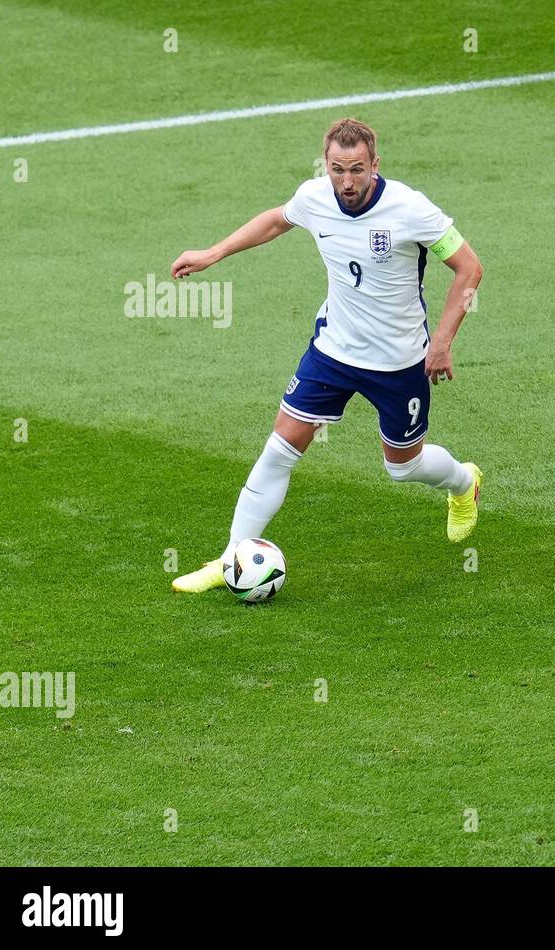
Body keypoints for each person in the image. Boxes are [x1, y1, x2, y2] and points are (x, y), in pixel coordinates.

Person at [169, 117, 483, 594]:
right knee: (280, 448)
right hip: (333, 350)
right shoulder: (315, 197)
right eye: (337, 169)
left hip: (399, 361)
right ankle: (230, 557)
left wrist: (442, 340)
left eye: (357, 169)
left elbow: (469, 268)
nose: (347, 182)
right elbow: (277, 220)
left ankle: (464, 484)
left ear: (375, 165)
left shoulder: (409, 209)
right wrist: (214, 253)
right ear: (327, 165)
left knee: (403, 467)